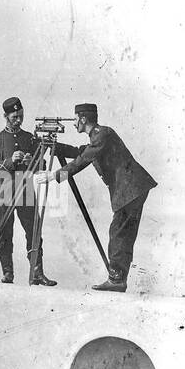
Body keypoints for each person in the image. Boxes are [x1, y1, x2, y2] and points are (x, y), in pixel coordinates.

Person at [54, 104, 157, 292]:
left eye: (75, 119)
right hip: (132, 189)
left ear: (83, 119)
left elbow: (84, 159)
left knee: (118, 232)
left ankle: (117, 280)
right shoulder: (98, 137)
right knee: (122, 232)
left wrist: (55, 176)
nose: (74, 123)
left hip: (130, 189)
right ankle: (118, 278)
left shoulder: (102, 134)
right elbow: (82, 152)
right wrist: (56, 147)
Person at [0, 97, 54, 286]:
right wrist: (9, 161)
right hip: (5, 193)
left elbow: (42, 166)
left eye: (21, 116)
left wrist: (33, 160)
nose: (19, 120)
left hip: (27, 193)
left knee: (34, 232)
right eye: (15, 116)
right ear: (5, 116)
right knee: (5, 233)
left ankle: (37, 274)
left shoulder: (29, 138)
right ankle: (8, 273)